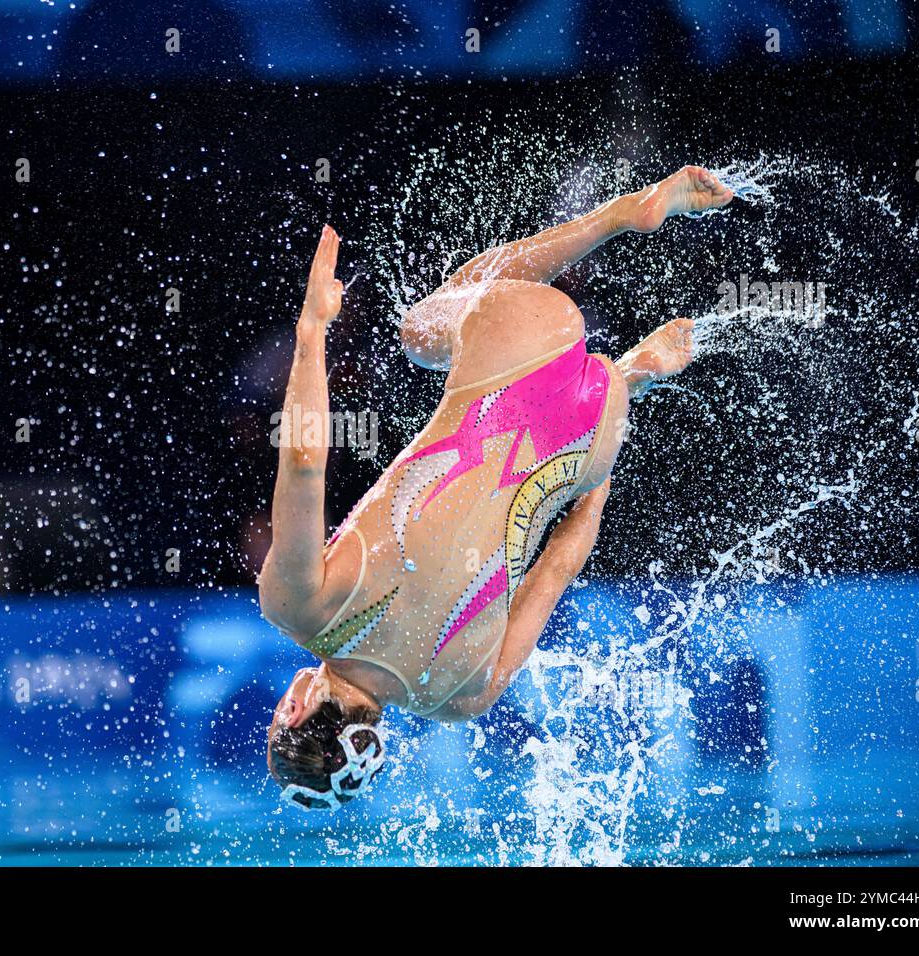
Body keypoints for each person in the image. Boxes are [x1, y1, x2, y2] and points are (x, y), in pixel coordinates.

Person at [260, 166, 734, 809]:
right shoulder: (299, 607)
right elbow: (306, 458)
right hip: (527, 337)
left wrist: (610, 421)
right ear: (294, 710)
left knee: (551, 468)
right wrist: (312, 330)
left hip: (588, 445)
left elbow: (563, 564)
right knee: (419, 330)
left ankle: (630, 375)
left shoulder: (462, 699)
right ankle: (624, 216)